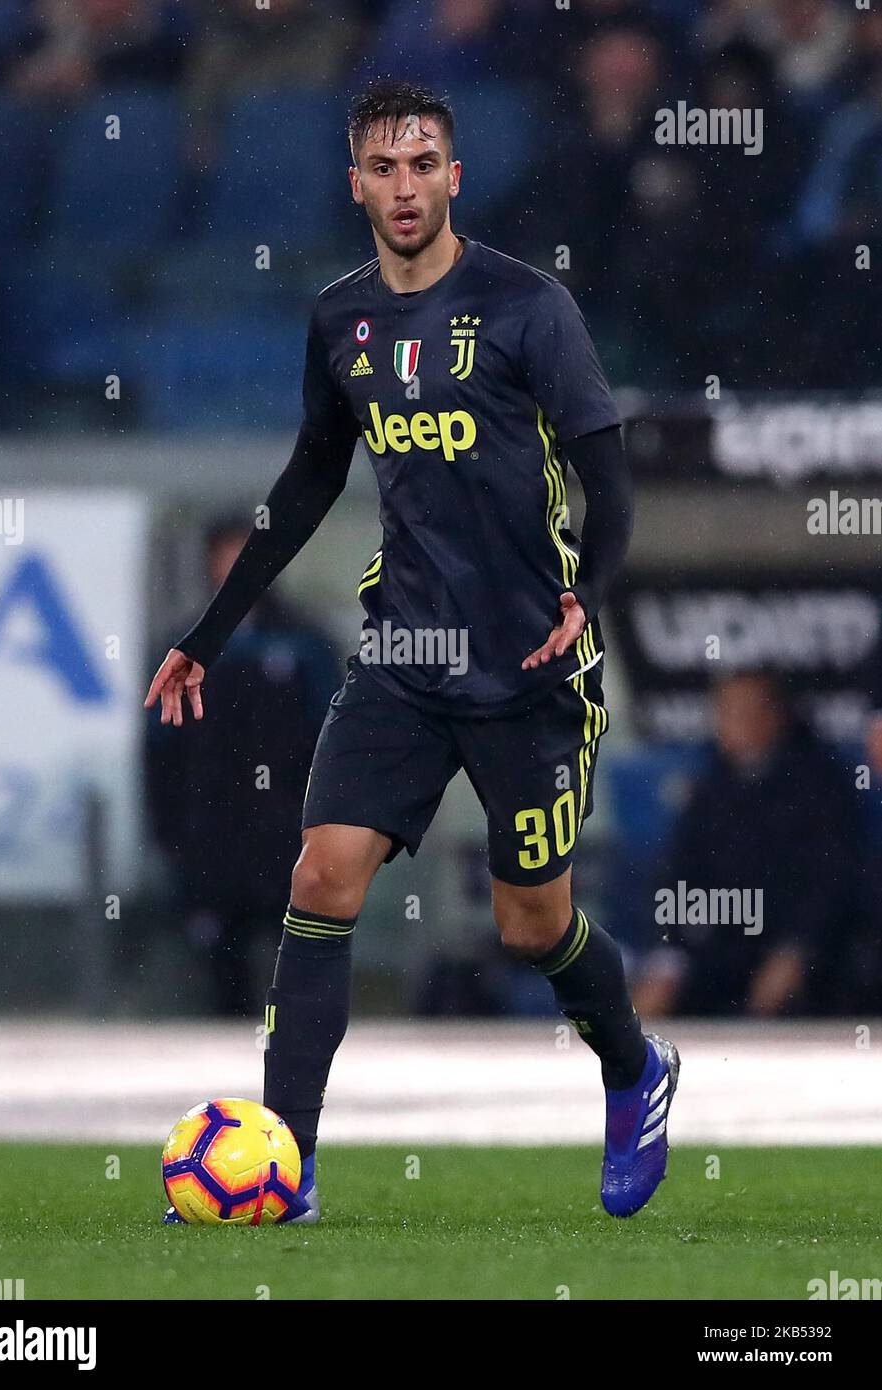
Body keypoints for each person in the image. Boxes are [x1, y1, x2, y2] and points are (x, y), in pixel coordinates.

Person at [145, 79, 677, 1224]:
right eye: (382, 168)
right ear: (356, 183)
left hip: (529, 665)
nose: (402, 186)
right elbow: (306, 482)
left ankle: (634, 1069)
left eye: (421, 164)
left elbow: (610, 477)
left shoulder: (529, 308)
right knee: (320, 874)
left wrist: (585, 589)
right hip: (402, 656)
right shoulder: (340, 317)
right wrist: (209, 632)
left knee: (531, 922)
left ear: (451, 177)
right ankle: (286, 1162)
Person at [146, 515, 340, 1016]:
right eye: (227, 553)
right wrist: (168, 829)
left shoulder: (306, 642)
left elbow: (333, 734)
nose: (237, 566)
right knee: (220, 957)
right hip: (212, 827)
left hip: (287, 825)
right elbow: (161, 748)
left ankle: (291, 1060)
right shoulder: (183, 646)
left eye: (248, 552)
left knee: (293, 951)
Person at [633, 669, 865, 1017]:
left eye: (747, 711)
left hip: (797, 950)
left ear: (776, 714)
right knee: (645, 1001)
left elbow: (831, 883)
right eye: (725, 712)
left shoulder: (819, 784)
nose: (733, 723)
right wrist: (670, 958)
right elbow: (680, 874)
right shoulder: (711, 785)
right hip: (719, 946)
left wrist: (797, 949)